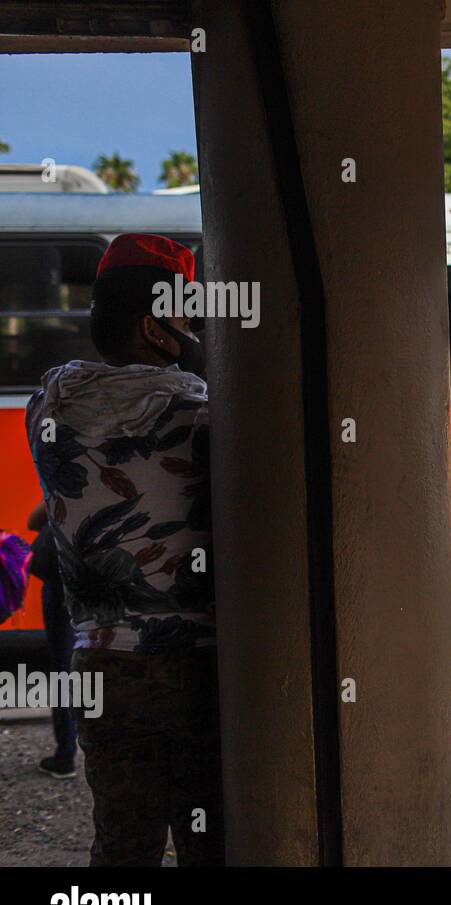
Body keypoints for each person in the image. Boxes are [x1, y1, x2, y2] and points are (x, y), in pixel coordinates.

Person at [26, 233, 224, 866]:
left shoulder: (47, 405)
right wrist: (203, 357)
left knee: (121, 846)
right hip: (194, 666)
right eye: (186, 312)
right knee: (209, 840)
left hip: (100, 665)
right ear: (156, 325)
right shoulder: (195, 412)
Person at [27, 500, 78, 779]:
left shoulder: (63, 478)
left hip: (62, 588)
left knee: (65, 670)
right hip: (100, 585)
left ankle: (65, 755)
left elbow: (33, 522)